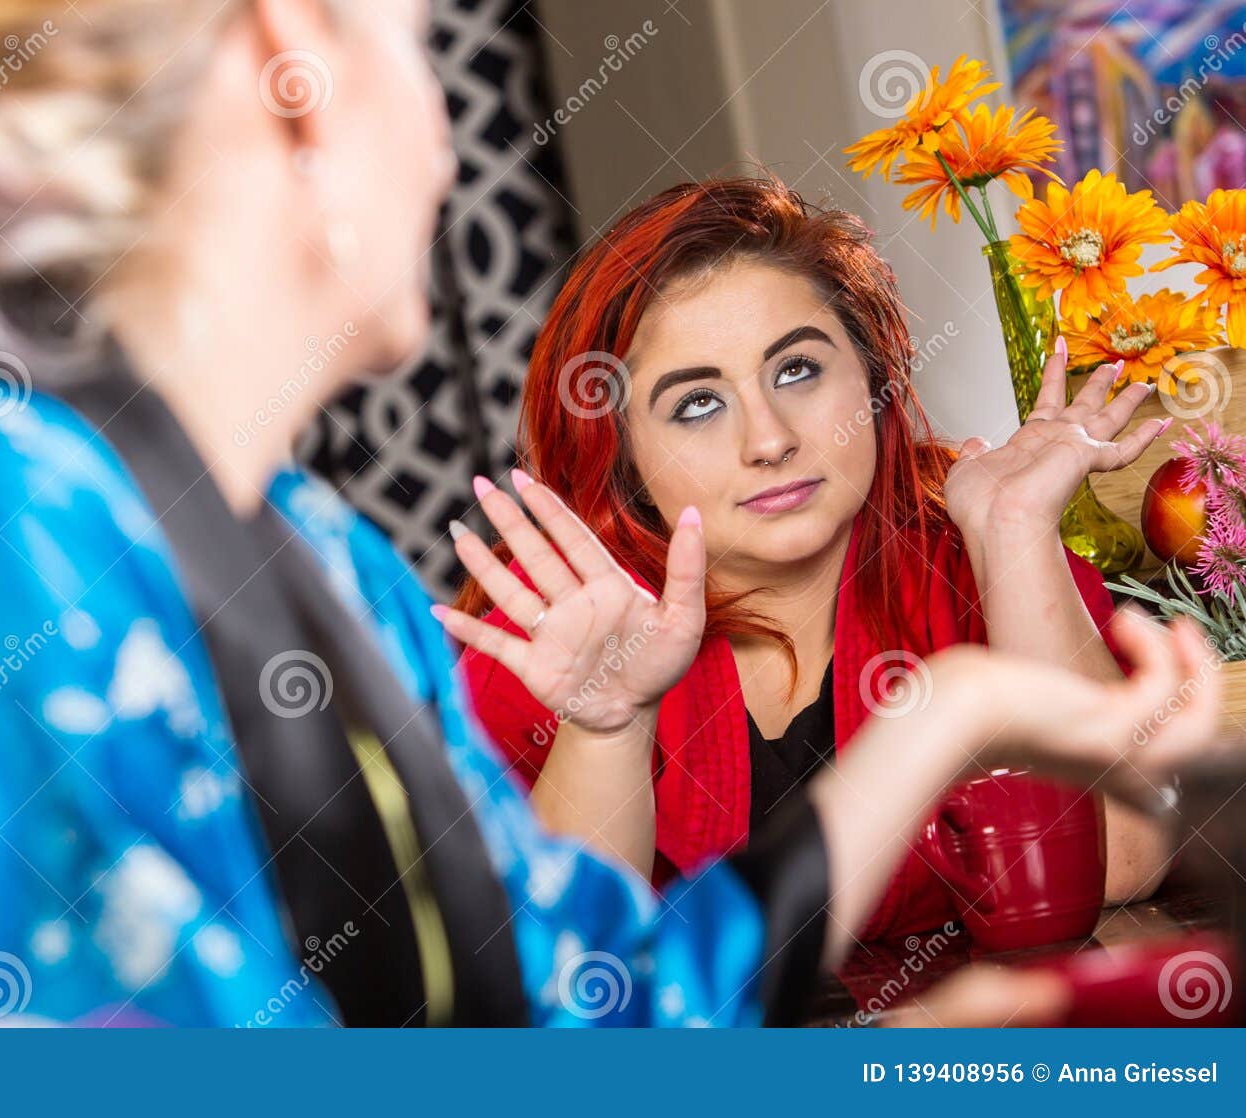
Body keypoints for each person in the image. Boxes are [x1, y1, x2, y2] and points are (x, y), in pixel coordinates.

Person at [0, 0, 1222, 1027]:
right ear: (299, 69)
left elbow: (594, 1011)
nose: (456, 137)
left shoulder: (328, 566)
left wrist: (952, 713)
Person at [446, 177, 1174, 938]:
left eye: (797, 369)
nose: (770, 440)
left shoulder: (975, 561)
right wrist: (604, 726)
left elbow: (1123, 863)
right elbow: (562, 964)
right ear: (625, 458)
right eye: (696, 403)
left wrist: (1017, 531)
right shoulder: (560, 627)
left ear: (874, 379)